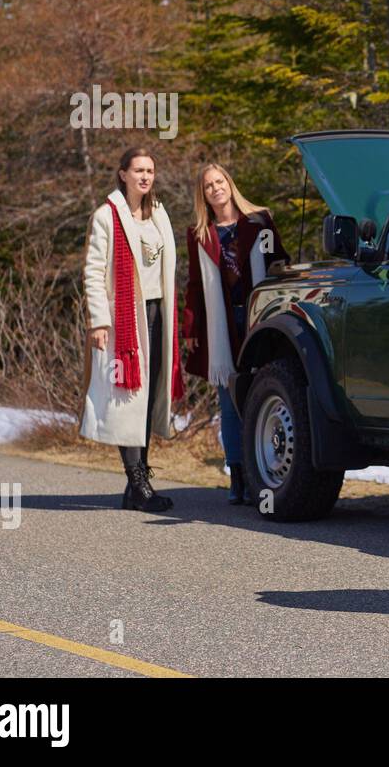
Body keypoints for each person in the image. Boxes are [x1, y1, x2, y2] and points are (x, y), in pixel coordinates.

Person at [80, 146, 184, 512]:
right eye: (138, 170)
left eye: (150, 171)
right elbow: (93, 272)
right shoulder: (106, 217)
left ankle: (135, 485)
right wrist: (98, 321)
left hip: (157, 313)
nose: (144, 176)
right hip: (124, 320)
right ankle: (138, 483)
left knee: (149, 395)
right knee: (128, 399)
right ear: (122, 174)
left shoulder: (159, 214)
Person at [181, 163, 289, 504]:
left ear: (230, 183)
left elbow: (280, 261)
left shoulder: (259, 222)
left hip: (260, 321)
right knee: (229, 403)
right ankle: (238, 477)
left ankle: (265, 473)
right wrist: (191, 327)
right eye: (208, 185)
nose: (215, 188)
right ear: (203, 195)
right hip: (223, 324)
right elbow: (196, 285)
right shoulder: (200, 234)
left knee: (262, 395)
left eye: (219, 181)